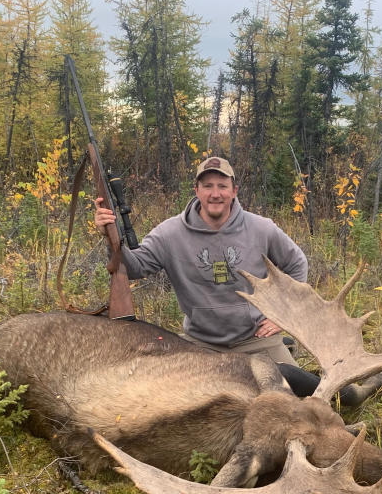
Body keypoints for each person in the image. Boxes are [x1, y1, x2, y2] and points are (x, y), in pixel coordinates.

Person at [94, 156, 307, 367]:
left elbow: (297, 263)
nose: (215, 194)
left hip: (257, 339)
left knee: (291, 395)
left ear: (234, 191)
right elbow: (134, 268)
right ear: (196, 190)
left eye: (222, 186)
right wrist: (112, 238)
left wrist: (283, 315)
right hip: (199, 344)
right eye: (207, 186)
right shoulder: (170, 233)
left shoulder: (262, 229)